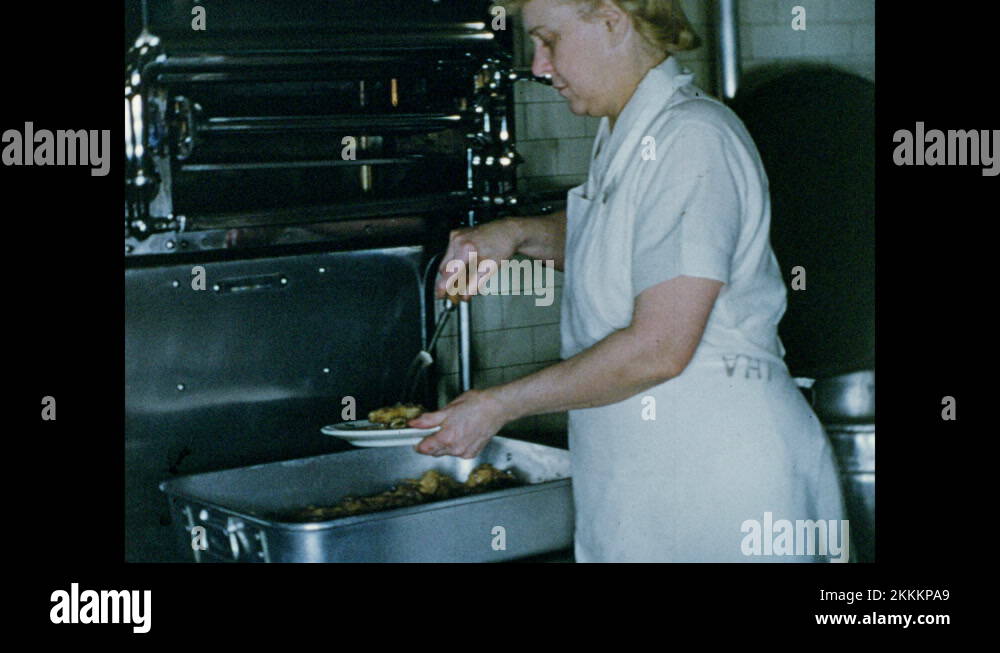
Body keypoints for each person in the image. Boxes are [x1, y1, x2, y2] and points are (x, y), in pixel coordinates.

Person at [408, 0, 846, 562]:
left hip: (721, 487)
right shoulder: (632, 132)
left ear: (612, 20)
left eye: (549, 40)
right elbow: (624, 240)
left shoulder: (692, 139)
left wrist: (496, 405)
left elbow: (658, 349)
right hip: (654, 479)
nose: (540, 67)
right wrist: (515, 235)